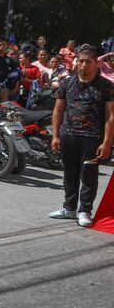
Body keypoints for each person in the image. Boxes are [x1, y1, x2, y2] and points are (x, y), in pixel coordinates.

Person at [48, 45, 114, 228]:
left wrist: (107, 143)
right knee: (69, 174)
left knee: (89, 176)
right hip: (68, 135)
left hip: (92, 138)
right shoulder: (67, 83)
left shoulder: (106, 87)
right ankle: (69, 208)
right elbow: (58, 110)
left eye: (88, 62)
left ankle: (85, 210)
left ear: (95, 63)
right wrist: (55, 136)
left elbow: (110, 117)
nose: (83, 65)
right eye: (80, 61)